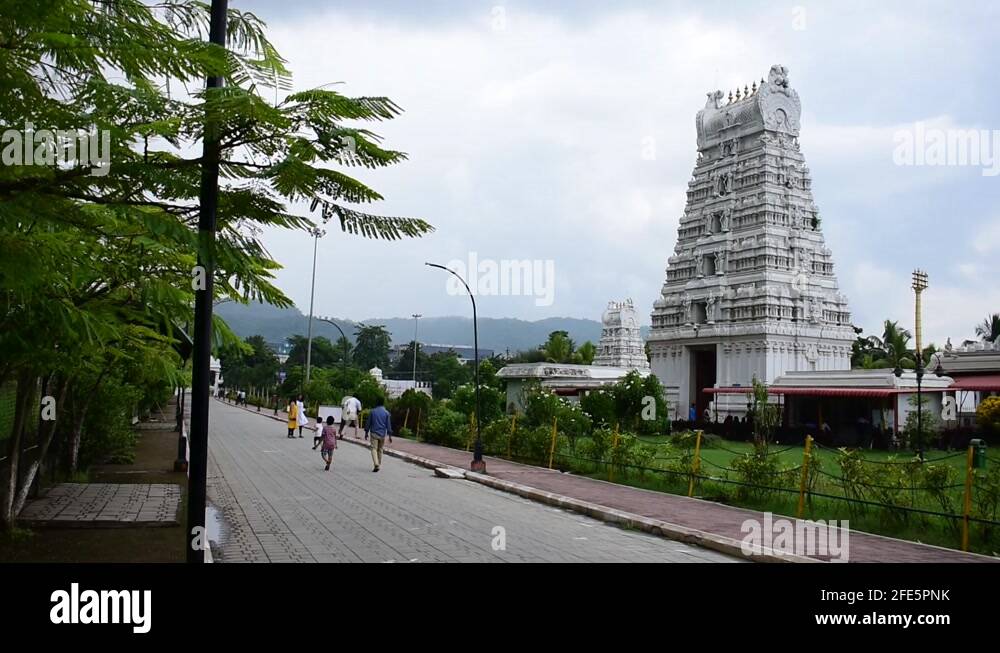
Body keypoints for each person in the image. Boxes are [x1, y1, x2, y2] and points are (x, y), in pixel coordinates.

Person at [365, 397, 392, 472]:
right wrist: (390, 436)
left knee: (373, 448)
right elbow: (388, 425)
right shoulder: (386, 413)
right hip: (382, 434)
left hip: (374, 433)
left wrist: (366, 432)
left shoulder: (372, 411)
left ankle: (376, 464)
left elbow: (368, 423)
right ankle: (378, 464)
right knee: (380, 449)